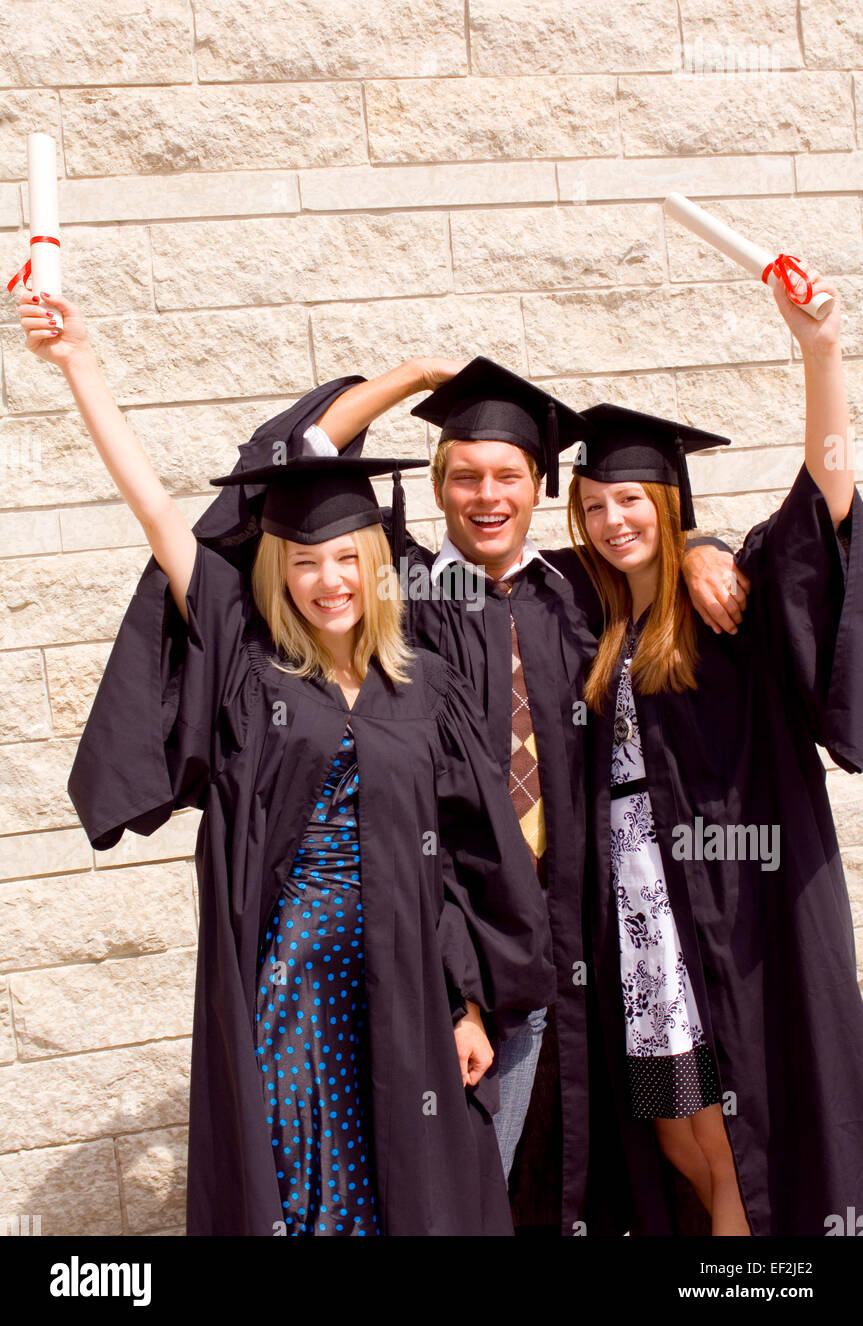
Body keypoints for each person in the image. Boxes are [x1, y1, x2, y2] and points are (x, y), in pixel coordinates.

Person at [16, 291, 555, 1236]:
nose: (328, 580)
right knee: (309, 1185)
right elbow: (157, 510)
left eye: (347, 559)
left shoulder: (423, 687)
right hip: (291, 975)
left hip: (405, 974)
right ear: (277, 573)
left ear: (376, 566)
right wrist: (80, 365)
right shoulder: (247, 663)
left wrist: (470, 1004)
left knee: (419, 1188)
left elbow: (472, 864)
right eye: (304, 563)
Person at [286, 356, 746, 1234]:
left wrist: (700, 547)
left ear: (540, 485)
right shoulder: (401, 591)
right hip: (456, 922)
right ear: (439, 487)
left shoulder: (580, 586)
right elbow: (306, 461)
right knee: (465, 1152)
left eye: (507, 475)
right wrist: (409, 377)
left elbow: (647, 538)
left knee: (619, 1138)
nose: (485, 495)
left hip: (592, 925)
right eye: (464, 476)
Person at [568, 266, 863, 1235]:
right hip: (638, 918)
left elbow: (823, 501)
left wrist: (818, 349)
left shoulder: (727, 596)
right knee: (672, 1125)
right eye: (594, 505)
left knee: (740, 1129)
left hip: (730, 904)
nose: (615, 521)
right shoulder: (588, 617)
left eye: (632, 501)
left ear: (666, 497)